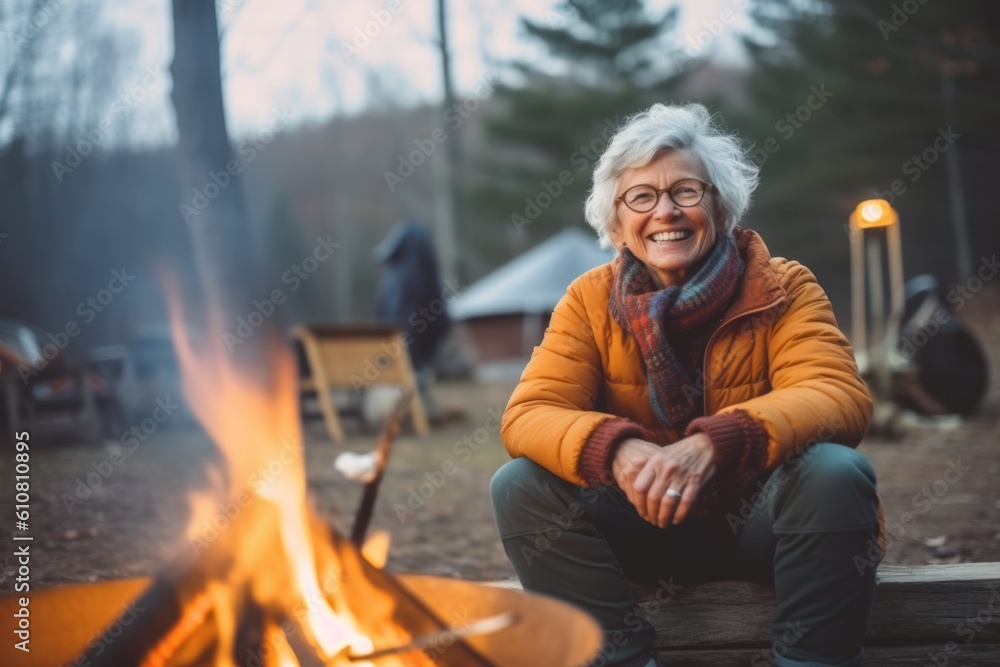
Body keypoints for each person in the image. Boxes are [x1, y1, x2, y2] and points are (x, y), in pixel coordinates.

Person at [490, 103, 883, 667]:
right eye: (641, 197)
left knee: (836, 471)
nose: (665, 212)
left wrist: (715, 443)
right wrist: (616, 449)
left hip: (764, 528)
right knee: (518, 485)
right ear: (617, 221)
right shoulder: (587, 300)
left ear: (719, 204)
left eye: (686, 192)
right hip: (641, 530)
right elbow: (529, 413)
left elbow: (837, 395)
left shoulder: (785, 285)